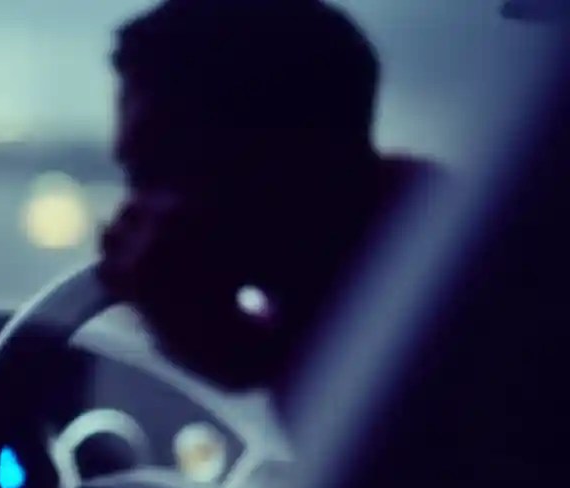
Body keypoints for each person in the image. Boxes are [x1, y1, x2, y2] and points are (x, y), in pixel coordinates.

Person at [99, 0, 436, 401]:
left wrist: (205, 330)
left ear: (278, 149)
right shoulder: (409, 241)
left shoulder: (441, 291)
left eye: (160, 147)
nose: (122, 152)